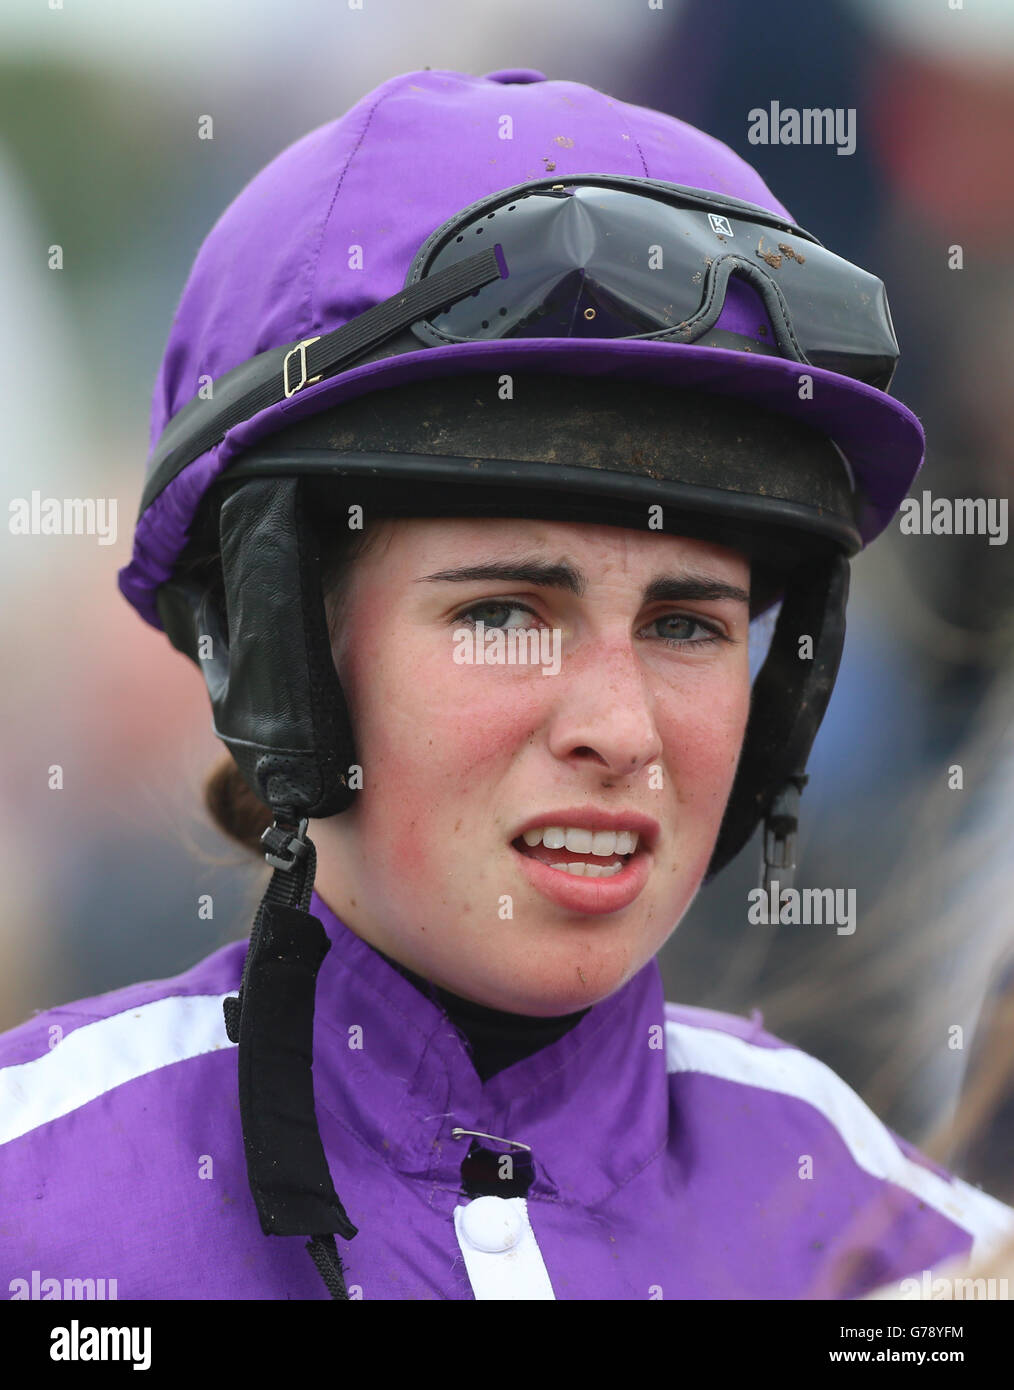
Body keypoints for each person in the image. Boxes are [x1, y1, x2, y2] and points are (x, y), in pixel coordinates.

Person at [3, 67, 1012, 1302]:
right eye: (503, 612)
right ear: (270, 655)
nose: (618, 729)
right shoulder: (32, 1212)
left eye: (689, 624)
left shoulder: (910, 1260)